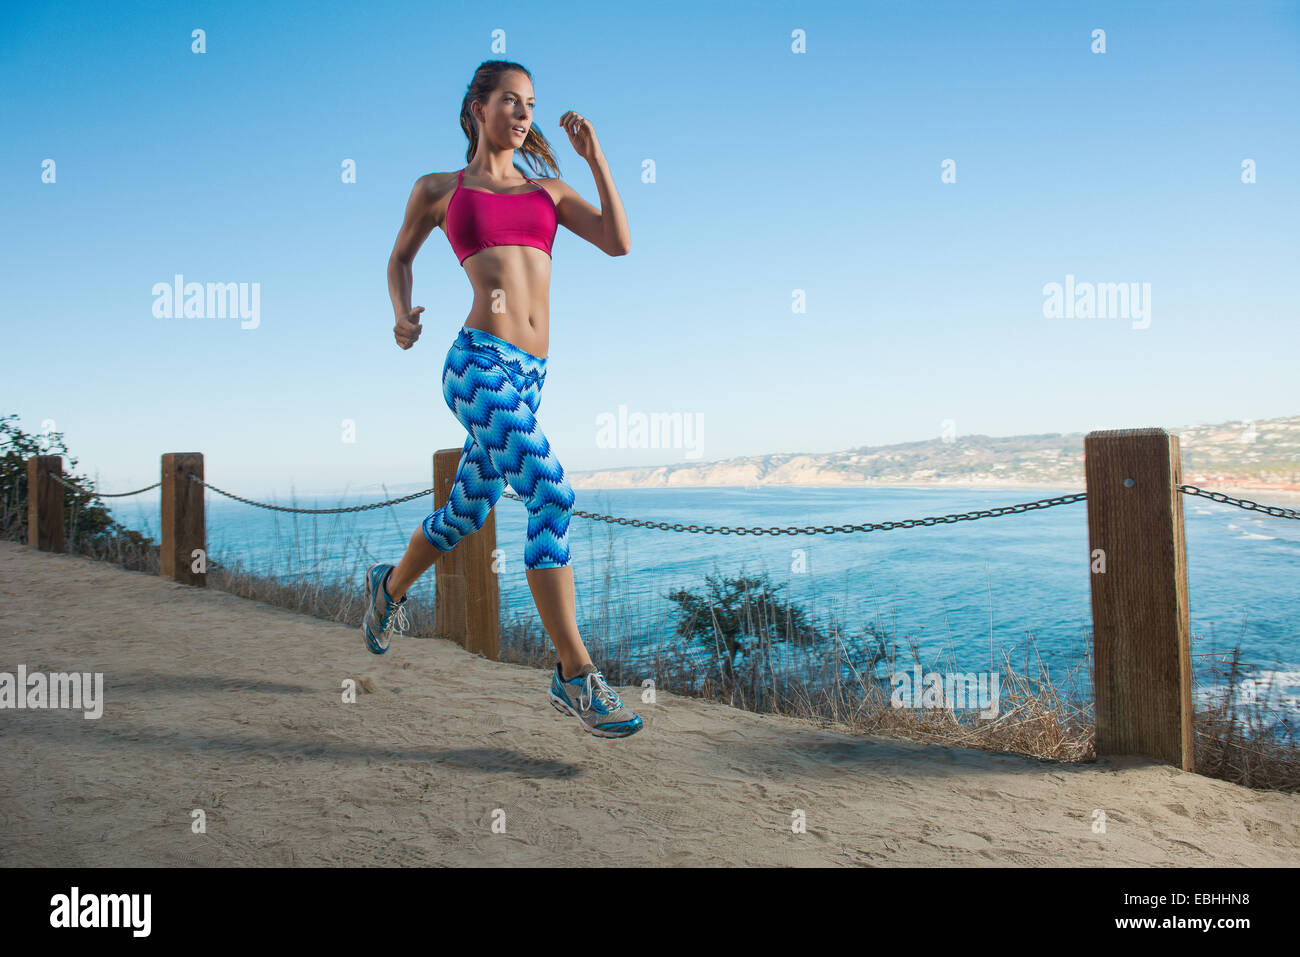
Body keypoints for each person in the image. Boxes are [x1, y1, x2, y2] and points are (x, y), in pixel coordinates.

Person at [362, 59, 642, 739]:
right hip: (475, 364)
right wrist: (402, 316)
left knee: (465, 513)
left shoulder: (549, 192)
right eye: (509, 101)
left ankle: (388, 588)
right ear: (476, 109)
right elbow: (399, 258)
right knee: (549, 490)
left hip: (530, 377)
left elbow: (617, 241)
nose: (522, 114)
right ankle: (574, 673)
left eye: (530, 105)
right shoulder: (439, 188)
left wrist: (595, 157)